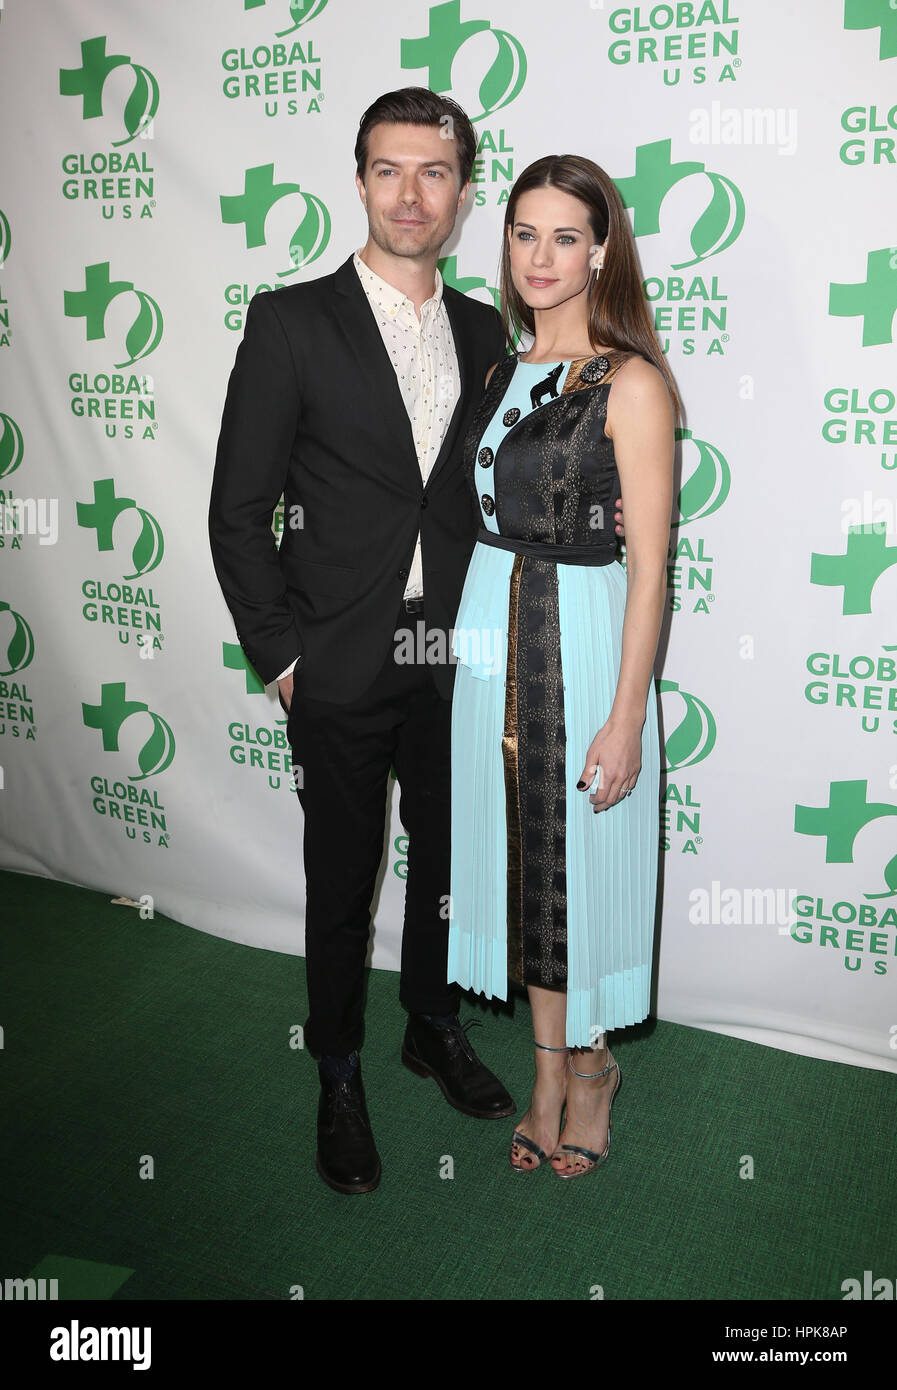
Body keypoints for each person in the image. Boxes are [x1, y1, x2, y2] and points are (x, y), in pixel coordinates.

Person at [211, 88, 535, 1197]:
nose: (411, 194)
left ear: (461, 189)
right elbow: (236, 510)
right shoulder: (290, 320)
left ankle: (430, 1023)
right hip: (339, 658)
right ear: (358, 180)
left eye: (435, 172)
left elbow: (488, 497)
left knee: (447, 862)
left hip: (450, 653)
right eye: (389, 170)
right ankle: (337, 1069)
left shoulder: (490, 331)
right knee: (342, 877)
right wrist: (284, 659)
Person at [448, 155, 678, 1178]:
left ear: (602, 251)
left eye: (565, 237)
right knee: (518, 857)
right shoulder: (498, 369)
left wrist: (625, 714)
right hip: (488, 634)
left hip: (579, 634)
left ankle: (592, 1069)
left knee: (574, 866)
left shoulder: (632, 382)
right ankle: (547, 1071)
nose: (541, 257)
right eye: (523, 233)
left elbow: (653, 566)